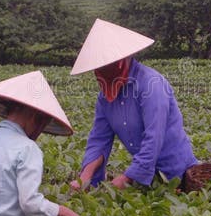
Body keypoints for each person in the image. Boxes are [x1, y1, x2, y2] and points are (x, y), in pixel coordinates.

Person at [69, 19, 198, 190]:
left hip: (177, 175)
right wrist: (85, 176)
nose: (105, 70)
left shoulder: (151, 85)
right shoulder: (105, 96)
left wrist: (127, 177)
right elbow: (99, 139)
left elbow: (154, 137)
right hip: (146, 178)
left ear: (124, 58)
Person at [0, 70, 81, 216]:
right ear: (33, 115)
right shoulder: (27, 148)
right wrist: (64, 212)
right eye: (42, 124)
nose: (39, 131)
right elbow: (29, 202)